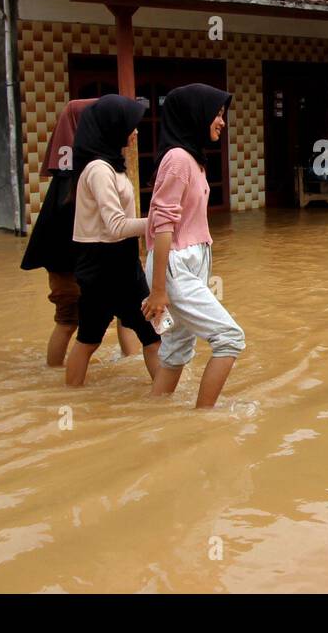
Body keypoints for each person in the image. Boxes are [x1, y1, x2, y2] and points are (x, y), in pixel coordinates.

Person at [142, 84, 245, 409]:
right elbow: (162, 224)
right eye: (216, 114)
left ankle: (153, 416)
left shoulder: (193, 160)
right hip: (174, 266)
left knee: (175, 352)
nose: (221, 122)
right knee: (230, 337)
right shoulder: (178, 160)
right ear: (194, 115)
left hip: (188, 264)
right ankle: (203, 419)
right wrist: (159, 290)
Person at [20, 98, 140, 368]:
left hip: (97, 262)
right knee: (68, 321)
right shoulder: (78, 177)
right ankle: (56, 376)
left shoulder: (95, 168)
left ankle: (128, 367)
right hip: (71, 265)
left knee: (125, 315)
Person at [63, 95, 161, 387]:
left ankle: (165, 399)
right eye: (131, 125)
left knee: (148, 334)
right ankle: (165, 399)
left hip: (118, 261)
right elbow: (116, 226)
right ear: (113, 127)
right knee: (94, 338)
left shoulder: (111, 166)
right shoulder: (98, 170)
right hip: (104, 264)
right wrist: (161, 224)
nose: (136, 131)